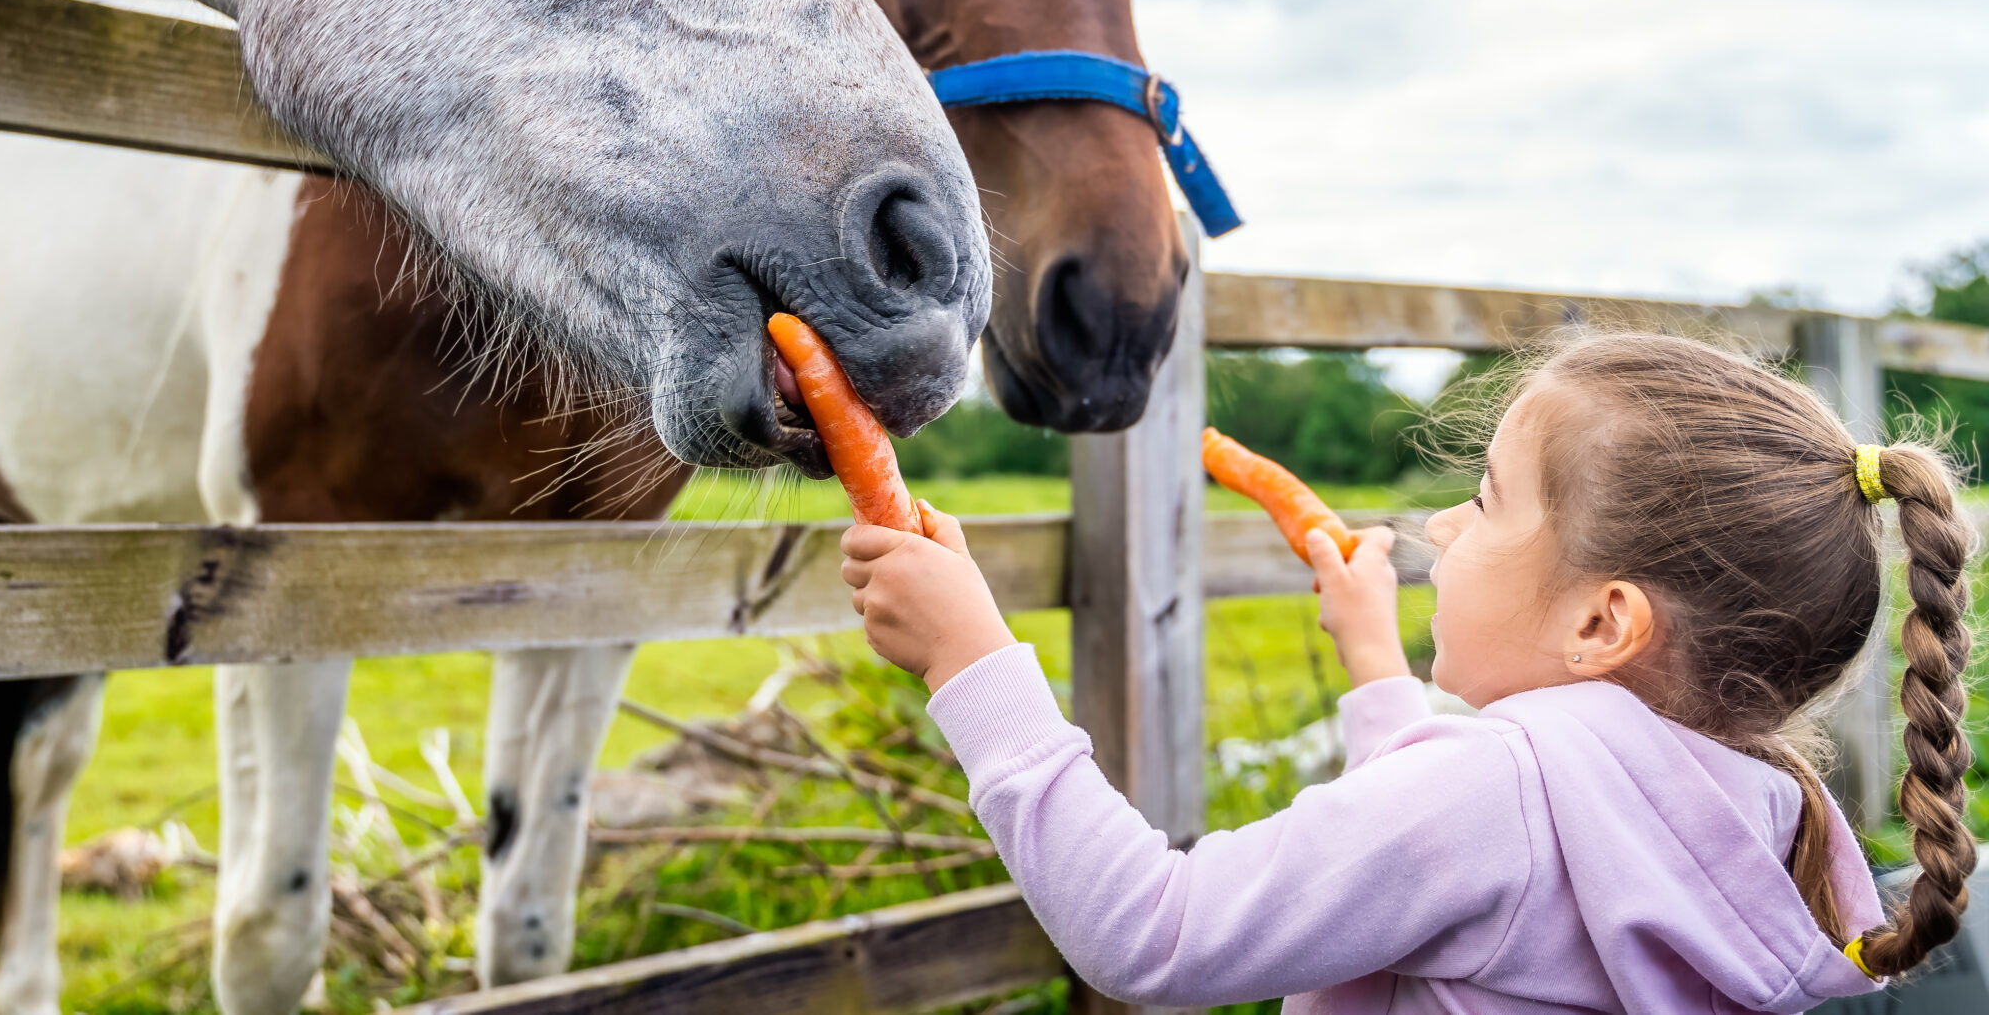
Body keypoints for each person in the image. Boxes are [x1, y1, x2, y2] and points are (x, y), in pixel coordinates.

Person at [842, 333, 1974, 1012]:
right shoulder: (1784, 814)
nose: (1441, 519)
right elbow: (1450, 874)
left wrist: (973, 661)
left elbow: (1154, 928)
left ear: (1601, 621)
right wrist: (1375, 664)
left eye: (1482, 499)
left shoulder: (1490, 796)